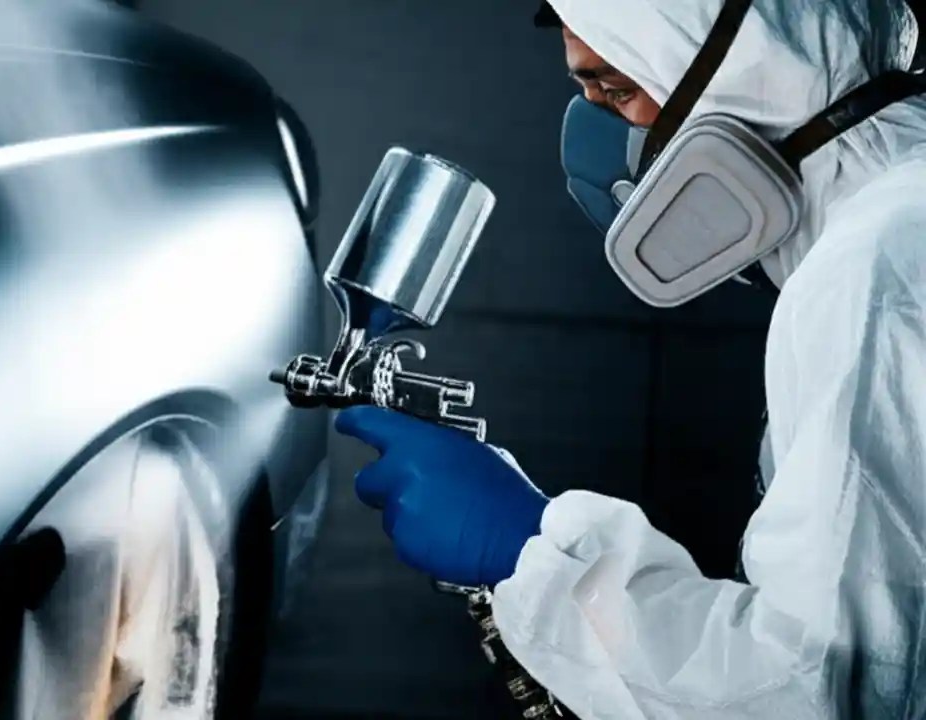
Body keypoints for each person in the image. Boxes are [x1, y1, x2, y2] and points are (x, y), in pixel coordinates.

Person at [335, 0, 926, 717]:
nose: (606, 142)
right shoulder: (891, 229)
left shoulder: (878, 270)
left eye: (618, 91)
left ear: (758, 67)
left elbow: (819, 691)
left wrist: (537, 557)